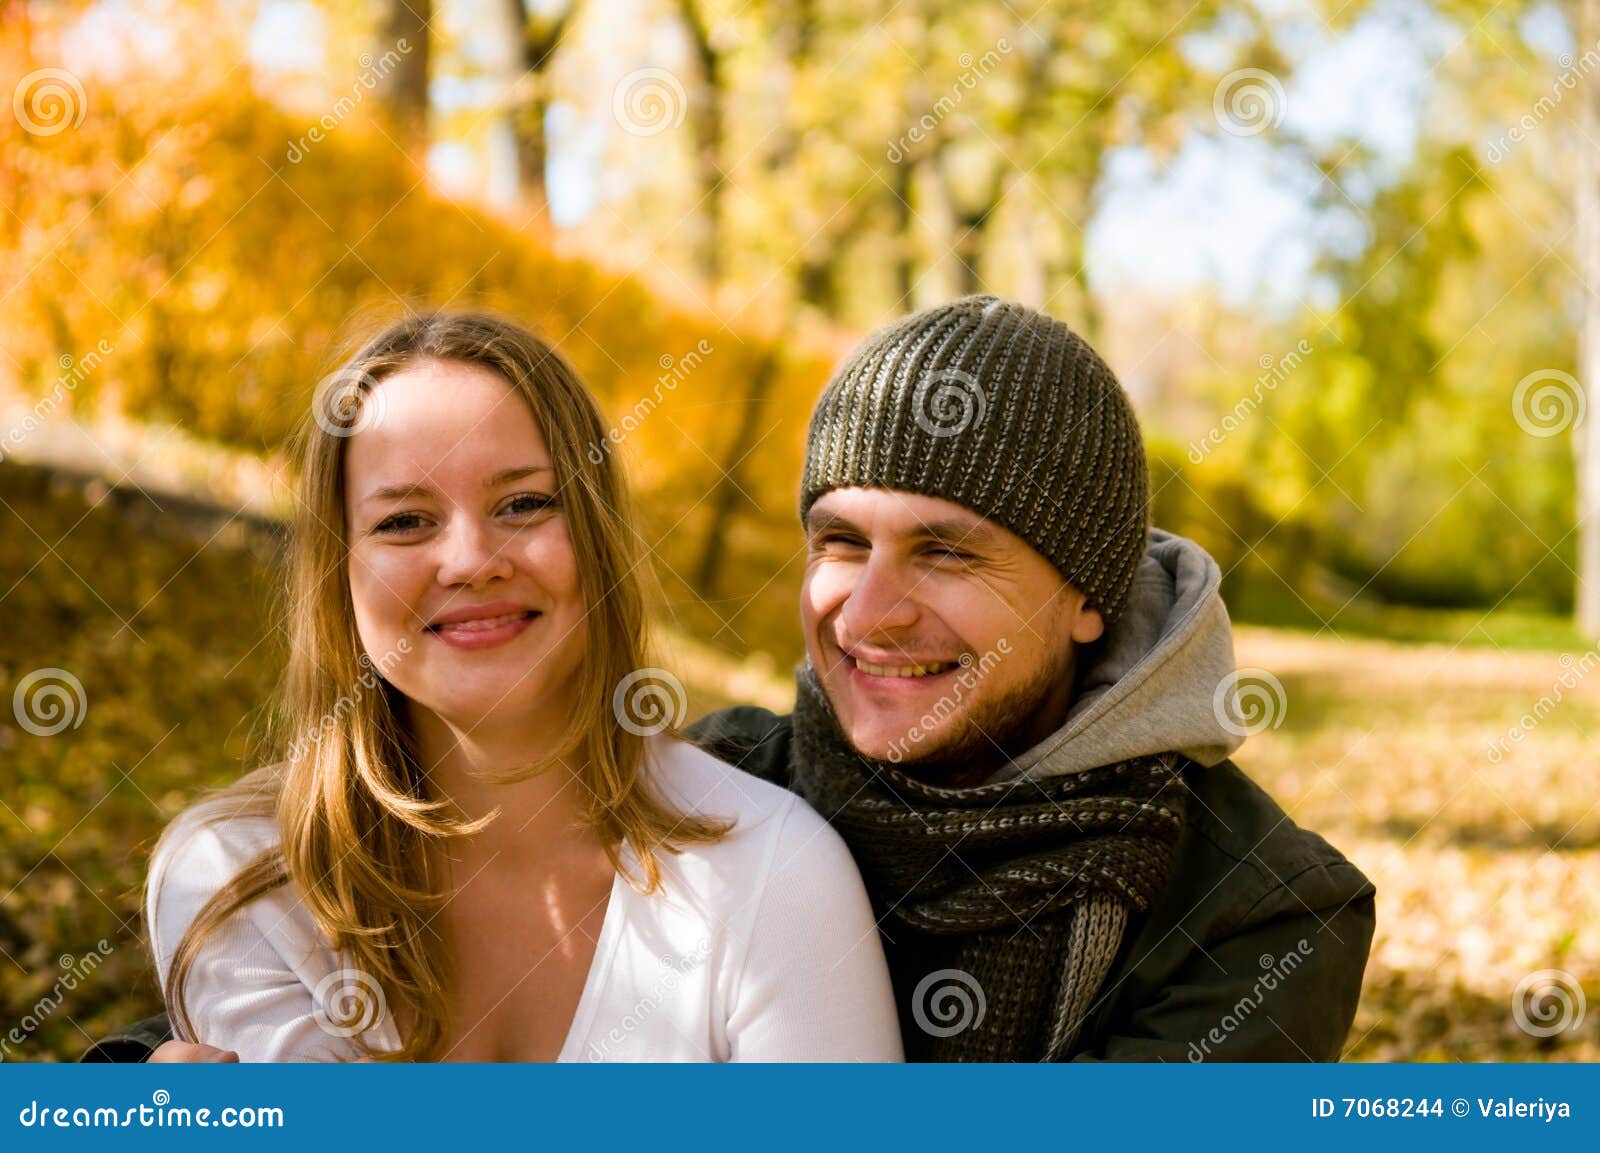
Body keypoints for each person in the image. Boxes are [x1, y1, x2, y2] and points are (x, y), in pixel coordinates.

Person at [90, 296, 1373, 1064]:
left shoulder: (1257, 911)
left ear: (1086, 592)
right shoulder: (744, 777)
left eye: (945, 550)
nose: (869, 609)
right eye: (840, 542)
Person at [121, 311, 901, 1062]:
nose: (472, 560)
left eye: (524, 504)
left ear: (595, 538)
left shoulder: (773, 868)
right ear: (339, 572)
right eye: (404, 521)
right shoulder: (234, 877)